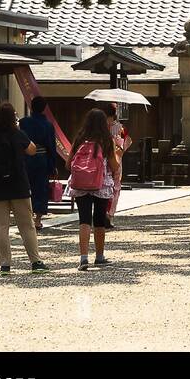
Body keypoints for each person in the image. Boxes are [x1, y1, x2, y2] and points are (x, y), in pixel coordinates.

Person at [0, 103, 48, 276]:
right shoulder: (17, 134)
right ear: (13, 118)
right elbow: (32, 150)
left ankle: (5, 265)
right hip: (18, 185)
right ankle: (35, 262)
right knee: (26, 226)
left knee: (0, 227)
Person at [66, 107, 121, 271]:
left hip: (81, 185)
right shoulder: (106, 141)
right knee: (99, 221)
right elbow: (114, 166)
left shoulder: (79, 139)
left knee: (84, 220)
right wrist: (119, 154)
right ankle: (99, 256)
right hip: (101, 185)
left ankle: (83, 258)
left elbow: (68, 164)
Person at [19, 95, 58, 231]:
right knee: (41, 189)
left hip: (26, 158)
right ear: (44, 109)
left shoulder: (23, 123)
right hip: (42, 158)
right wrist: (53, 165)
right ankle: (38, 219)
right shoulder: (48, 125)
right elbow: (52, 147)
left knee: (26, 187)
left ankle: (27, 217)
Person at [105, 103, 131, 218]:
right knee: (115, 187)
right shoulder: (121, 128)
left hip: (102, 160)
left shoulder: (99, 128)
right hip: (116, 159)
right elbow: (127, 142)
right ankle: (110, 215)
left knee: (102, 185)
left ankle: (102, 212)